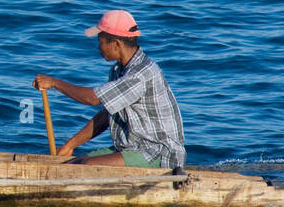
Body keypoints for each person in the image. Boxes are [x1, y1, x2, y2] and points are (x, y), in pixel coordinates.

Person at [32, 10, 185, 168]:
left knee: (87, 166)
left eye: (101, 41)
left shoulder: (140, 74)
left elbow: (93, 99)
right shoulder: (117, 71)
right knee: (73, 163)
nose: (98, 47)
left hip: (158, 153)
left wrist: (55, 83)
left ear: (116, 44)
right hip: (131, 149)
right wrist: (70, 145)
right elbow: (107, 114)